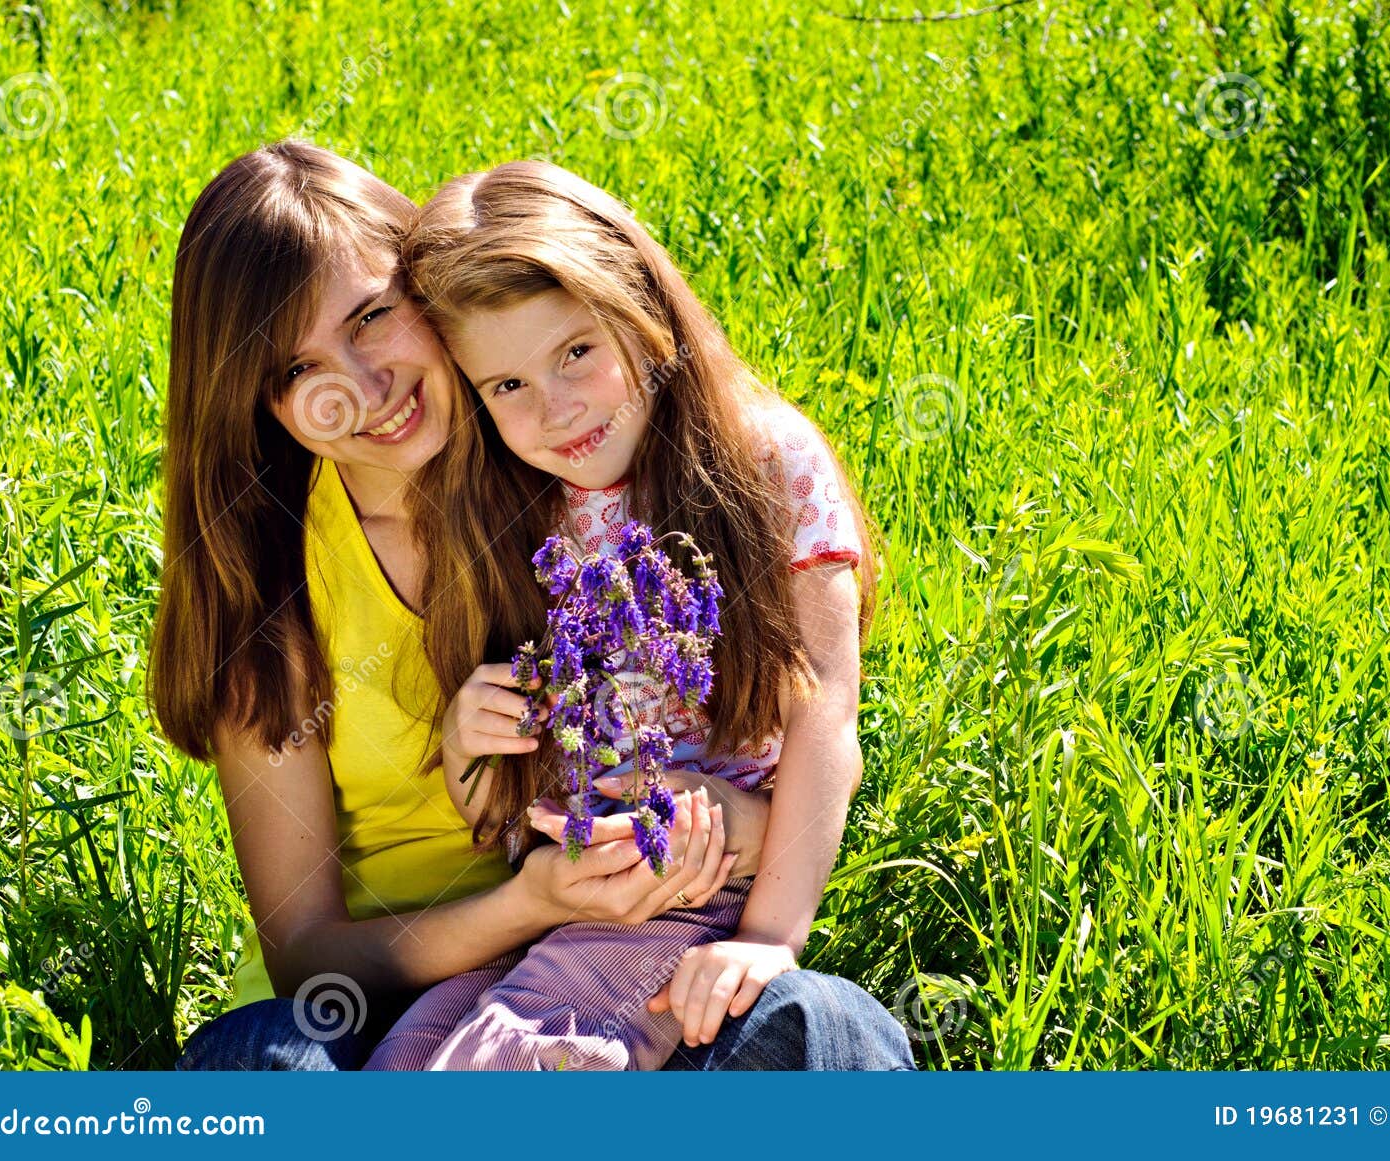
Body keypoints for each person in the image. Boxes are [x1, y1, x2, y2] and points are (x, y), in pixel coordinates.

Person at [150, 140, 912, 1071]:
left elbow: (797, 711)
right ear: (258, 402)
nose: (362, 384)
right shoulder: (271, 582)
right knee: (260, 1058)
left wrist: (737, 846)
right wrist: (532, 897)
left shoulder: (559, 472)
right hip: (389, 999)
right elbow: (308, 951)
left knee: (823, 1034)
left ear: (434, 297)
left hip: (655, 939)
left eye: (375, 316)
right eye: (299, 369)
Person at [362, 161, 880, 1071]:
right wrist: (466, 744)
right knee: (419, 1056)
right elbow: (497, 817)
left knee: (530, 1059)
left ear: (642, 310)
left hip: (707, 885)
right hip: (567, 889)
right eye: (507, 387)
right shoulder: (512, 506)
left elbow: (826, 712)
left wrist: (768, 939)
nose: (556, 411)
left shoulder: (769, 462)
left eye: (575, 353)